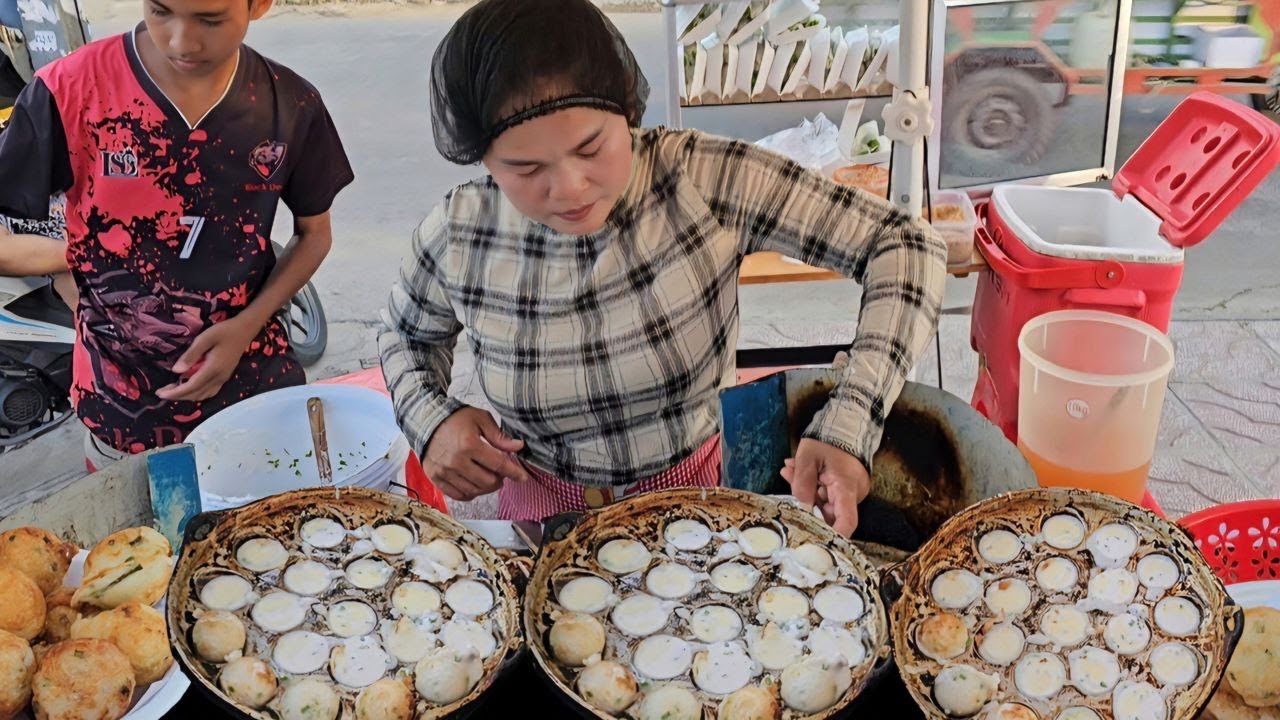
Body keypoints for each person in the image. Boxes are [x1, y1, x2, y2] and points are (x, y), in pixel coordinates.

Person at [379, 0, 946, 536]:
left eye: (591, 147)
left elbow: (904, 244)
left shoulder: (700, 178)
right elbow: (404, 336)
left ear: (626, 110)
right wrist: (430, 420)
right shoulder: (461, 232)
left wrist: (850, 423)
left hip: (699, 506)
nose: (569, 188)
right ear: (485, 161)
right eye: (525, 168)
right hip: (540, 518)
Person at [0, 0, 353, 469]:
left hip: (253, 392)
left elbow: (313, 235)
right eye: (159, 9)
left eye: (210, 19)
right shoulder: (68, 90)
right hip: (121, 410)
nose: (181, 41)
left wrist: (244, 328)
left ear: (260, 5)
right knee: (134, 540)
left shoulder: (290, 105)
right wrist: (82, 256)